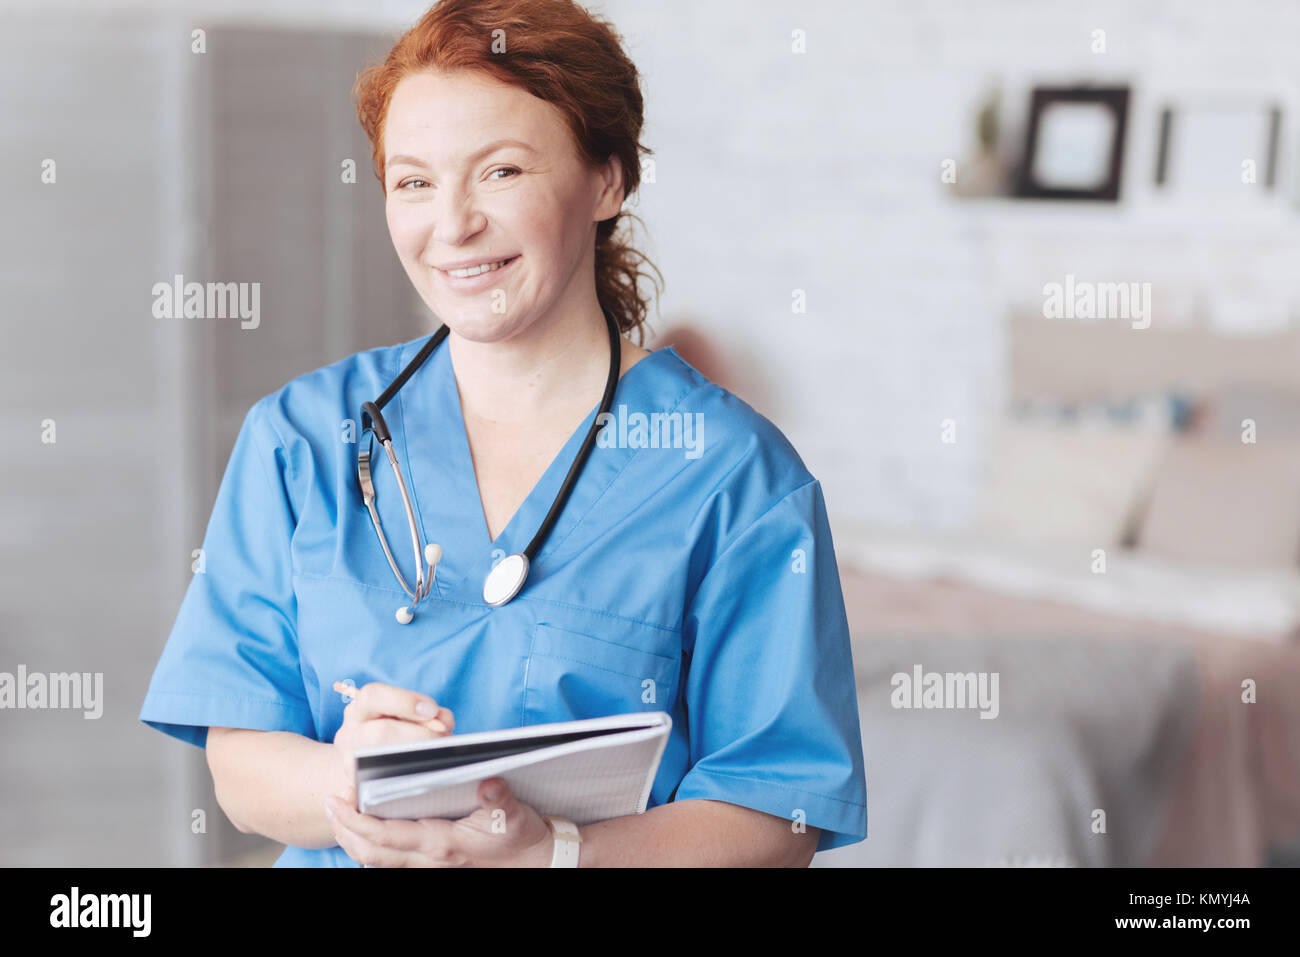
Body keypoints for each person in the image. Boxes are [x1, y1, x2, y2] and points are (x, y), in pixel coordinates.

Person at [139, 0, 866, 867]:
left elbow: (777, 815)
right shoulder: (300, 441)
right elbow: (240, 759)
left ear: (607, 178)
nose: (452, 226)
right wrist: (345, 779)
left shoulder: (734, 478)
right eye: (413, 181)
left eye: (502, 171)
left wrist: (556, 856)